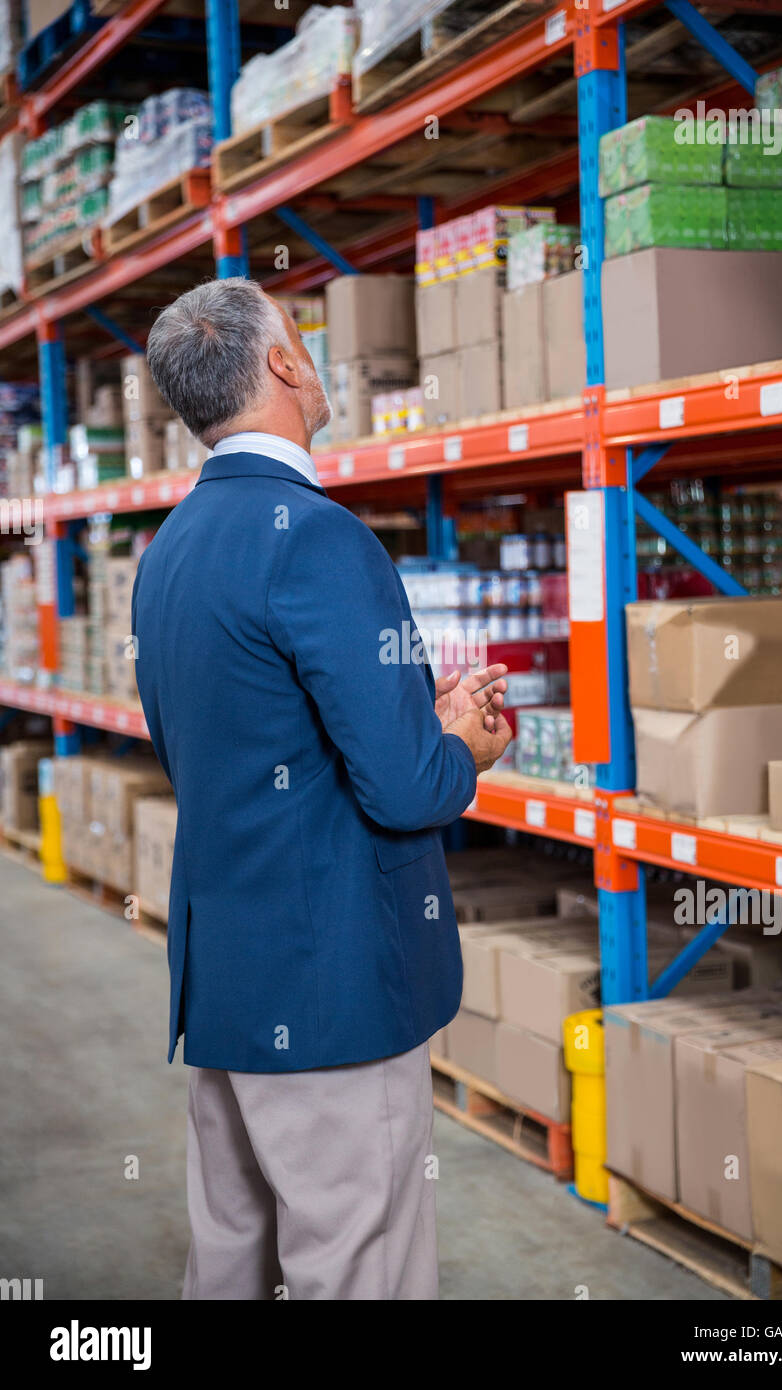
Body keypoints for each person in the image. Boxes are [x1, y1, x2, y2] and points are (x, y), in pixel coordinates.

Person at [132, 276, 512, 1301]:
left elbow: (235, 747)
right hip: (332, 990)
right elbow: (399, 790)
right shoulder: (323, 541)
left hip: (227, 986)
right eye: (301, 336)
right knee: (357, 1269)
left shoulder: (166, 555)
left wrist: (404, 718)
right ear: (285, 367)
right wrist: (461, 748)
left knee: (230, 1260)